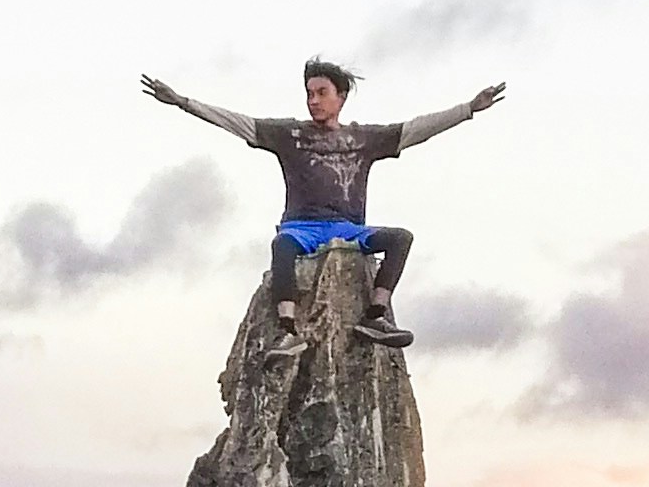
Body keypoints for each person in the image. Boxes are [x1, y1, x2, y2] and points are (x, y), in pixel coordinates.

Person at [139, 58, 507, 347]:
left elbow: (415, 130)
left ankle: (374, 317)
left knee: (400, 238)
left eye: (321, 92)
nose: (313, 100)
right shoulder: (290, 134)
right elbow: (237, 123)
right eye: (309, 93)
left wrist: (468, 108)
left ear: (340, 96)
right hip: (302, 227)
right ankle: (287, 330)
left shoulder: (364, 138)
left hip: (349, 228)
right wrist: (182, 102)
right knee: (282, 246)